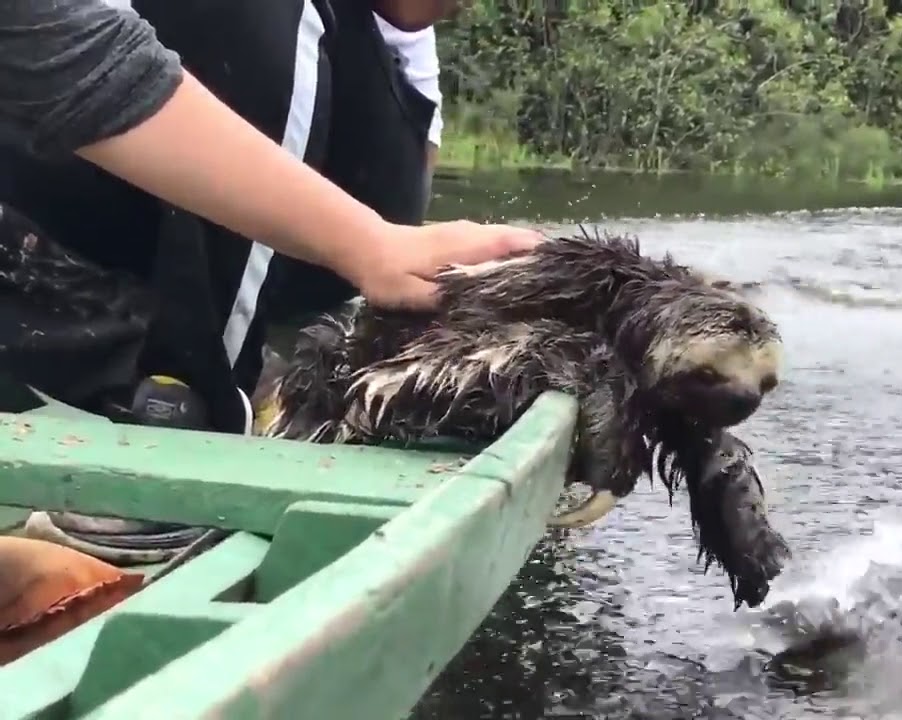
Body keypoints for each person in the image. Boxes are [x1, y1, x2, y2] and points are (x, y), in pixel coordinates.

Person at [0, 0, 527, 559]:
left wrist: (372, 243)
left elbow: (76, 58)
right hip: (89, 159)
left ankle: (194, 405)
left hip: (319, 170)